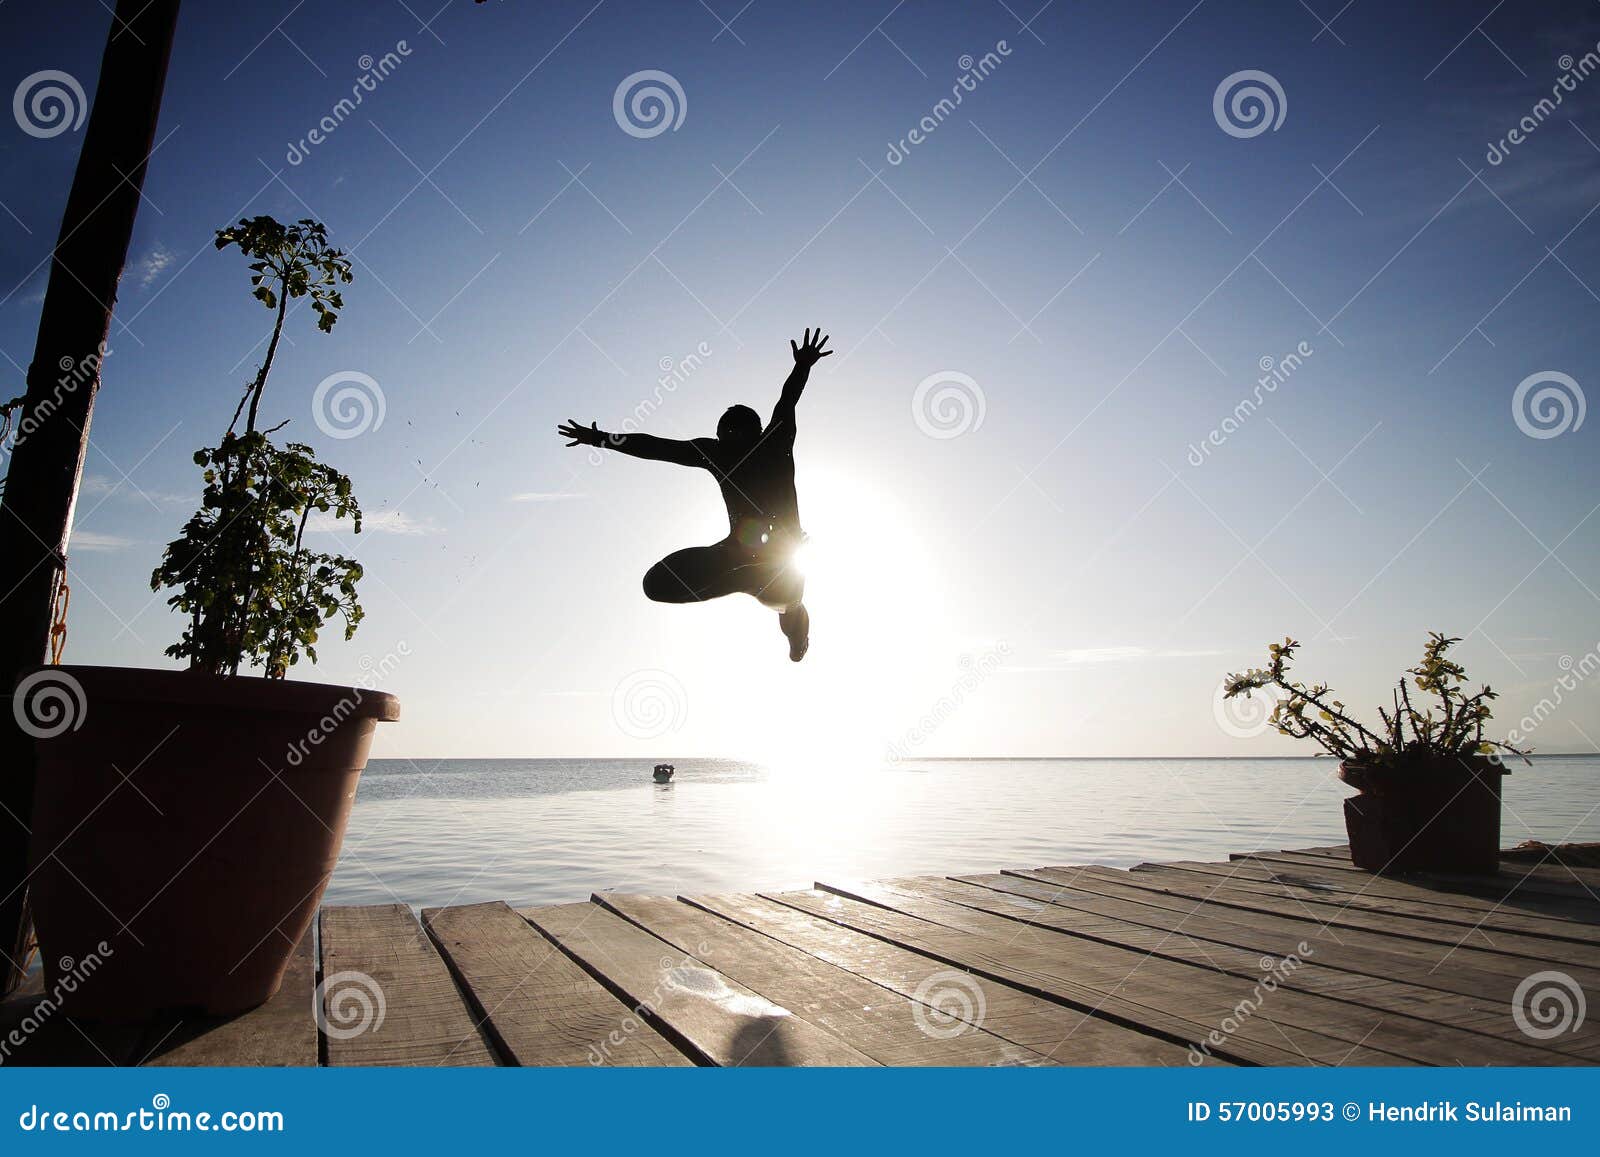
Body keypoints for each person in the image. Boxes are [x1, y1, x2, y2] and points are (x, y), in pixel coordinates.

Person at [557, 329, 831, 661]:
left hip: (781, 565)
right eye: (724, 439)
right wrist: (601, 439)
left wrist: (803, 366)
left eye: (734, 438)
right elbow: (655, 447)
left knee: (788, 597)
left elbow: (787, 401)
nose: (730, 446)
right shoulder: (721, 452)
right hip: (746, 555)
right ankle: (745, 576)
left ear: (755, 433)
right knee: (654, 584)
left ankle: (785, 620)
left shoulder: (772, 442)